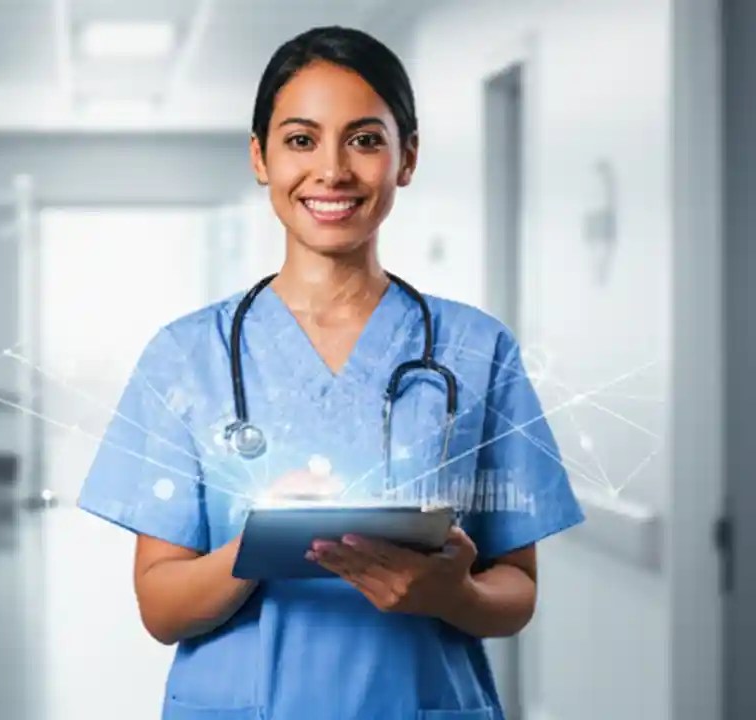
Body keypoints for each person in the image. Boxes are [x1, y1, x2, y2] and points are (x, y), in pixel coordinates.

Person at [76, 25, 586, 720]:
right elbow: (162, 608)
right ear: (260, 158)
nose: (333, 170)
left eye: (366, 139)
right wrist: (257, 545)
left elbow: (517, 591)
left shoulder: (476, 350)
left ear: (406, 158)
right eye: (300, 139)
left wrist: (453, 596)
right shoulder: (185, 356)